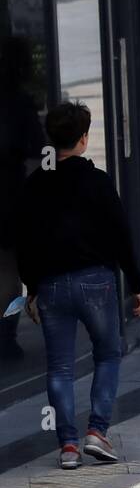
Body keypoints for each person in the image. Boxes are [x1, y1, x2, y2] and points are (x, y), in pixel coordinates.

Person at [15, 101, 140, 469]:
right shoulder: (98, 181)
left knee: (59, 368)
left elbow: (24, 241)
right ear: (84, 139)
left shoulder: (35, 185)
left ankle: (68, 445)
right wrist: (138, 283)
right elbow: (121, 235)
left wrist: (32, 288)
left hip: (52, 286)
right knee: (107, 354)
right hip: (96, 282)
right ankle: (97, 432)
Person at [0, 36, 46, 364]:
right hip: (7, 191)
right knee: (8, 270)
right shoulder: (19, 102)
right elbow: (36, 147)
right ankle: (5, 336)